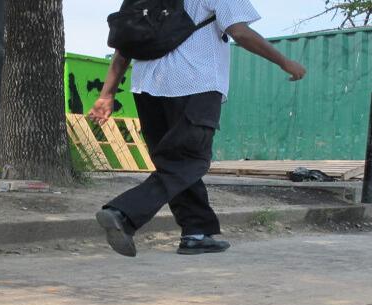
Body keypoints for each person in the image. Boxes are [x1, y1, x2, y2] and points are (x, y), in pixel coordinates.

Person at [89, 0, 307, 257]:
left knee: (174, 162)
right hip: (195, 82)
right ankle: (124, 212)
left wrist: (107, 94)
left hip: (147, 87)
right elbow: (239, 31)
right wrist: (284, 61)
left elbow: (125, 44)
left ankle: (196, 233)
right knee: (189, 160)